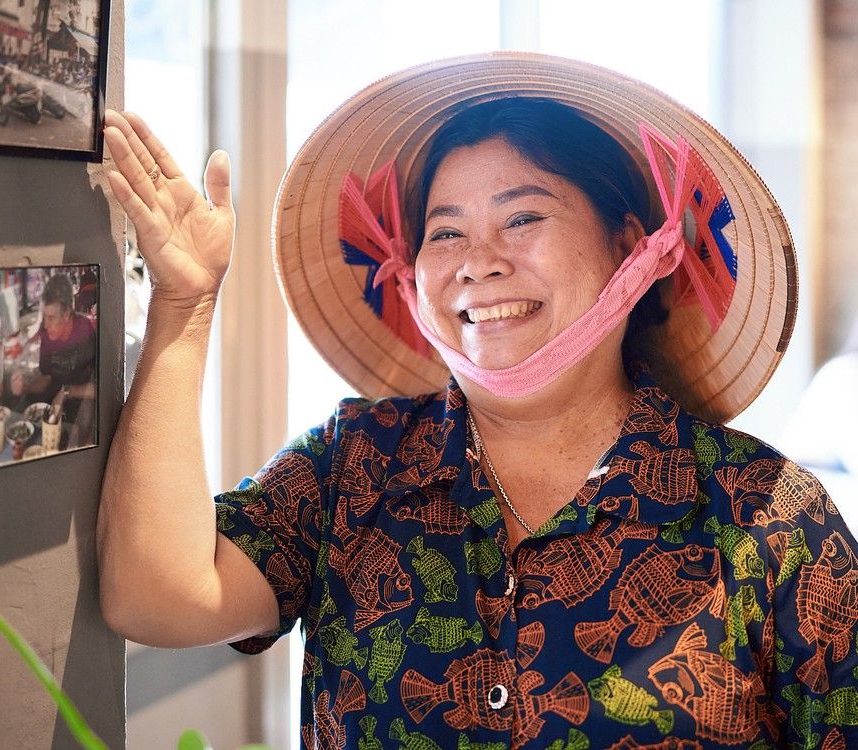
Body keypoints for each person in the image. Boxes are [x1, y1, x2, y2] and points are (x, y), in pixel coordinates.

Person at [97, 54, 858, 748]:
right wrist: (186, 304)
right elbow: (156, 596)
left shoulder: (769, 519)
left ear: (632, 245)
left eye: (523, 218)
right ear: (410, 273)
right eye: (445, 232)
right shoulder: (351, 467)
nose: (478, 265)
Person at [11, 274, 96, 437]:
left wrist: (66, 392)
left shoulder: (85, 332)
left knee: (80, 429)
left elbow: (99, 389)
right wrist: (24, 388)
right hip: (53, 396)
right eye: (44, 317)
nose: (46, 325)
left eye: (51, 318)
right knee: (19, 414)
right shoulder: (47, 333)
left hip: (80, 396)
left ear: (67, 314)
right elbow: (46, 379)